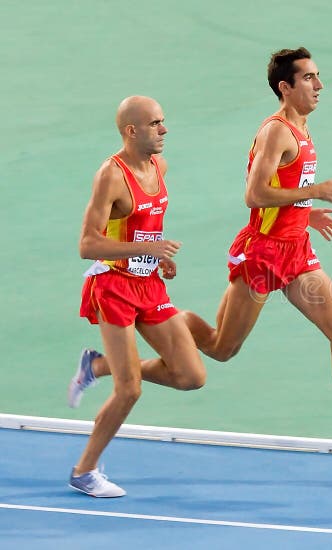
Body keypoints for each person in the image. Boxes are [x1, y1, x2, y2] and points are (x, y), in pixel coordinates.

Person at [181, 47, 332, 461]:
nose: (319, 85)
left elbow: (282, 191)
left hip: (296, 250)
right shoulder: (277, 132)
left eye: (317, 76)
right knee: (221, 348)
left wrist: (305, 213)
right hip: (262, 253)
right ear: (285, 87)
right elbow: (254, 195)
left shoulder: (302, 127)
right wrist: (314, 191)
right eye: (309, 78)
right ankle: (166, 322)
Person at [68, 96, 207, 497]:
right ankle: (84, 471)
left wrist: (158, 257)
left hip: (148, 284)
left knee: (191, 376)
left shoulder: (159, 166)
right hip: (112, 286)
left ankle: (99, 366)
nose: (164, 130)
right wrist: (146, 249)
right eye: (155, 124)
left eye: (163, 121)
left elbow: (144, 226)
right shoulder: (111, 176)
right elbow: (88, 244)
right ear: (131, 131)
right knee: (129, 390)